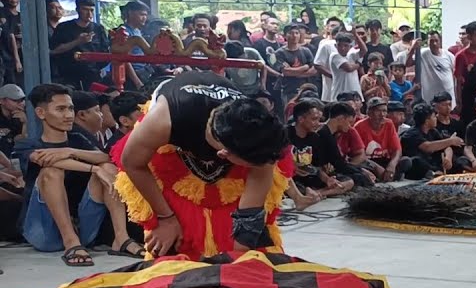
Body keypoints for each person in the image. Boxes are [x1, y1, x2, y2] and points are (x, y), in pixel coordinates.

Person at [117, 71, 289, 260]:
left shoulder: (258, 130)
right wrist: (165, 218)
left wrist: (241, 257)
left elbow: (251, 207)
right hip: (168, 151)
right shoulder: (162, 122)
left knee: (252, 249)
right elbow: (132, 163)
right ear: (224, 155)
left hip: (229, 136)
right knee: (173, 242)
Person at [16, 83, 140, 266]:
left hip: (82, 226)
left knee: (108, 167)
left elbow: (106, 156)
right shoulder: (28, 144)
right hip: (43, 231)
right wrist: (93, 168)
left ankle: (121, 238)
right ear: (41, 113)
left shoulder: (78, 139)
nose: (68, 115)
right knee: (51, 172)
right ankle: (70, 242)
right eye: (60, 109)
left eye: (70, 108)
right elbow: (48, 161)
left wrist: (71, 151)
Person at [288, 98, 354, 200]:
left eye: (319, 120)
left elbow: (317, 167)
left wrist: (328, 180)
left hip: (309, 176)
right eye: (314, 119)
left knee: (349, 182)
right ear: (301, 119)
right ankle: (307, 194)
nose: (318, 123)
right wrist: (291, 166)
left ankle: (317, 193)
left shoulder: (315, 137)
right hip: (291, 178)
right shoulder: (285, 135)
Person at [49, 0, 108, 91]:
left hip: (92, 74)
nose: (89, 14)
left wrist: (97, 68)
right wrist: (78, 41)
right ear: (78, 10)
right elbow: (54, 50)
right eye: (85, 9)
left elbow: (105, 53)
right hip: (68, 75)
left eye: (91, 10)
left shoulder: (98, 29)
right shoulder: (64, 27)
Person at [401, 103, 472, 178]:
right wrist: (450, 141)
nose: (436, 119)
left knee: (458, 160)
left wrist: (448, 158)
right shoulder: (412, 133)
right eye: (434, 116)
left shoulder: (433, 131)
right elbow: (427, 147)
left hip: (433, 163)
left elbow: (447, 147)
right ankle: (433, 174)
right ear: (427, 120)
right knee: (416, 161)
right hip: (420, 166)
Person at [353, 97, 407, 181]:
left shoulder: (389, 123)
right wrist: (376, 167)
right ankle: (387, 176)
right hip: (367, 160)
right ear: (369, 113)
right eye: (378, 111)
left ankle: (387, 175)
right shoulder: (359, 126)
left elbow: (397, 149)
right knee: (361, 167)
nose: (382, 114)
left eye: (384, 111)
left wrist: (392, 165)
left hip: (384, 160)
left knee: (406, 161)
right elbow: (359, 155)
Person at [411, 30, 456, 105]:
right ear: (427, 42)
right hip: (431, 98)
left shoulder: (449, 56)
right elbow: (408, 63)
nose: (434, 43)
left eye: (436, 40)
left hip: (448, 97)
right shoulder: (423, 53)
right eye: (431, 41)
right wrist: (413, 48)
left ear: (440, 41)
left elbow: (455, 75)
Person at [276, 23, 317, 104]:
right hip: (289, 90)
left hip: (306, 89)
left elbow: (314, 70)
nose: (294, 36)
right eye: (291, 33)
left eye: (296, 33)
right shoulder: (279, 53)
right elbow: (286, 72)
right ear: (285, 36)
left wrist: (295, 72)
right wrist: (305, 67)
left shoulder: (306, 51)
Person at [326, 33, 364, 103]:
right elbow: (349, 68)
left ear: (350, 46)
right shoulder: (334, 56)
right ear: (335, 46)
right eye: (339, 45)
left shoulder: (352, 55)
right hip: (339, 94)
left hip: (354, 93)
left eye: (346, 46)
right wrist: (358, 64)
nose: (342, 48)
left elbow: (364, 50)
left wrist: (356, 35)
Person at [0, 83, 26, 158]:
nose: (20, 104)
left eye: (22, 100)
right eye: (15, 100)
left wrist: (25, 124)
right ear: (2, 101)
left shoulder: (23, 115)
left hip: (14, 158)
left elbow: (21, 141)